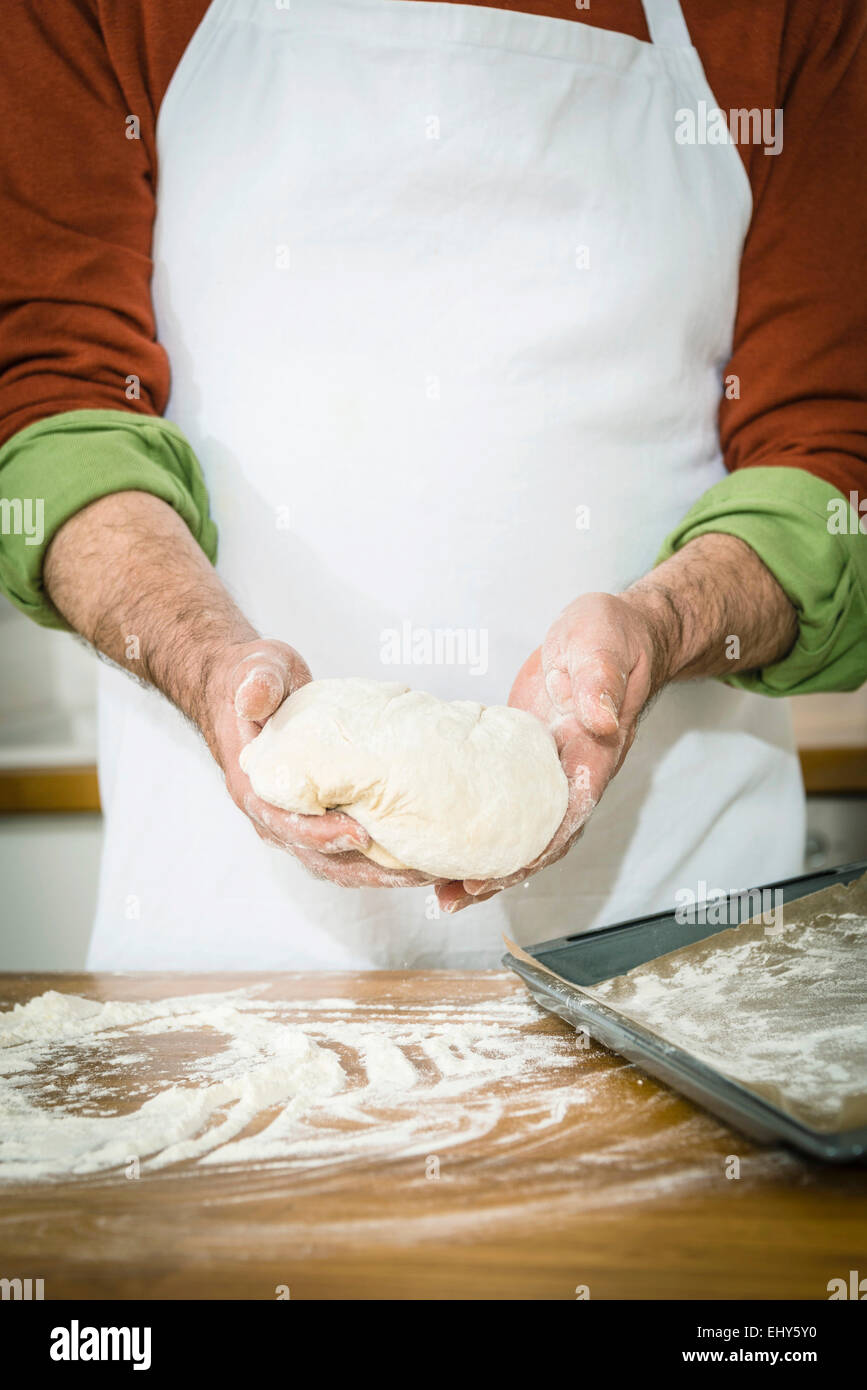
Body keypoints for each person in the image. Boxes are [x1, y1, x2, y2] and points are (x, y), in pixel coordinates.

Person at [0, 0, 864, 969]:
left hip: (669, 949)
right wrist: (211, 666)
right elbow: (51, 407)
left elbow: (832, 464)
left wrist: (659, 630)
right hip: (226, 973)